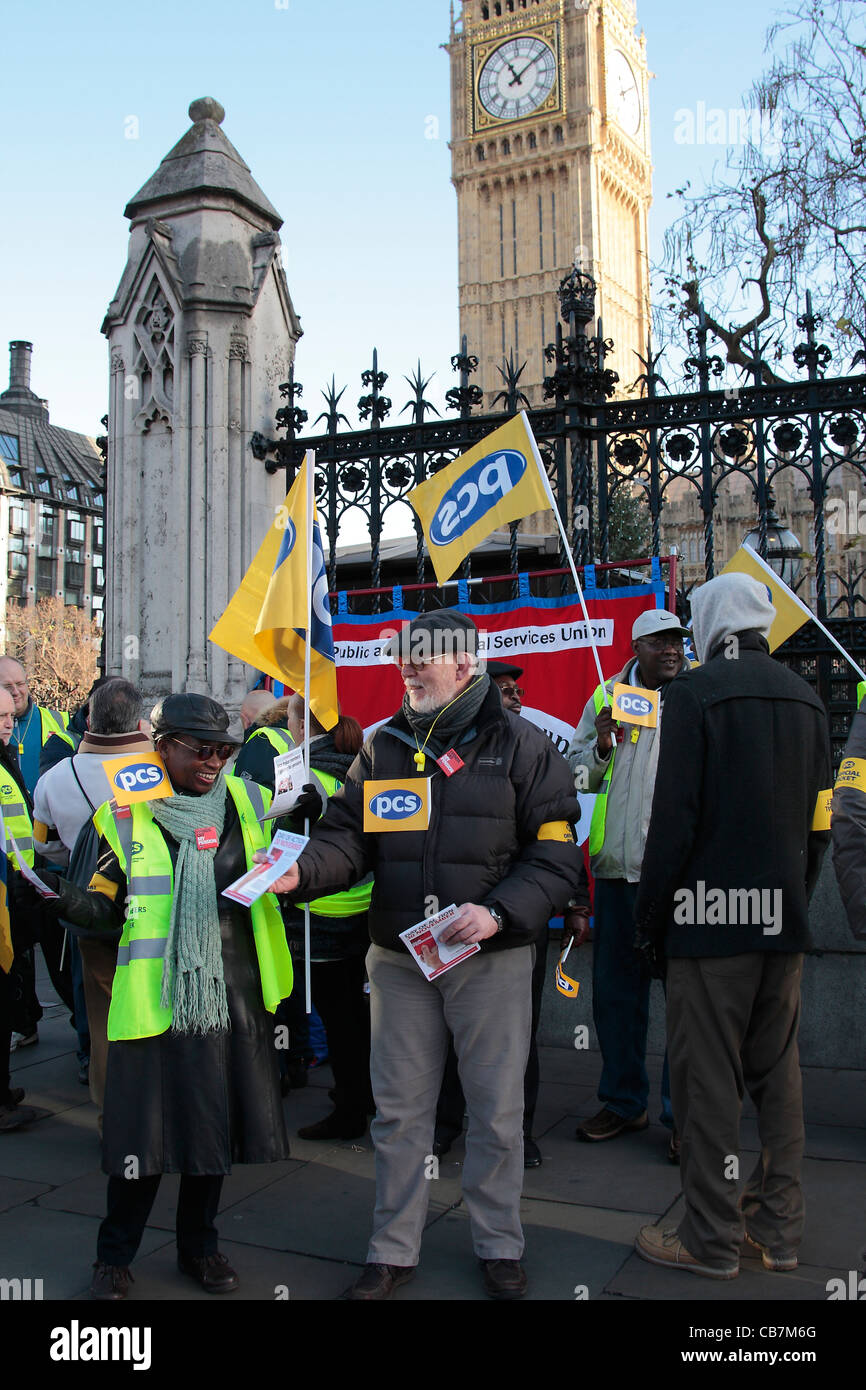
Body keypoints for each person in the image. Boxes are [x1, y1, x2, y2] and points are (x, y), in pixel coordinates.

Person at [268, 610, 583, 1301]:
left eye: (422, 658)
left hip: (491, 960)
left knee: (497, 1113)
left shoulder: (525, 747)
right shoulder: (382, 747)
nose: (407, 669)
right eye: (404, 658)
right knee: (400, 1112)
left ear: (464, 665)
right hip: (400, 962)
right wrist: (303, 871)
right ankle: (392, 1250)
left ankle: (500, 1243)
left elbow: (559, 859)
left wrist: (498, 912)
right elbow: (349, 840)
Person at [32, 694, 293, 1300]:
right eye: (200, 749)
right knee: (138, 1138)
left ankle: (199, 1247)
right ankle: (114, 1257)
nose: (214, 761)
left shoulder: (249, 802)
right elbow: (100, 911)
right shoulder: (121, 814)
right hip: (154, 998)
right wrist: (56, 894)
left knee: (212, 1129)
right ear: (162, 746)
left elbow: (279, 873)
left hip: (231, 992)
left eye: (223, 749)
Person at [633, 573, 831, 1279]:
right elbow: (819, 823)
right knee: (779, 1079)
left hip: (707, 929)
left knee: (707, 1086)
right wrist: (793, 901)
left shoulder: (691, 695)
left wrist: (650, 922)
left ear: (710, 626)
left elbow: (673, 827)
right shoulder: (808, 699)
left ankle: (711, 1239)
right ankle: (779, 1230)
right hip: (783, 923)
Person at [434, 657, 590, 1168]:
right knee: (446, 1032)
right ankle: (442, 1127)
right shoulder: (435, 750)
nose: (515, 697)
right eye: (502, 690)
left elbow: (559, 840)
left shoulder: (535, 750)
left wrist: (575, 902)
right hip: (449, 924)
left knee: (517, 1037)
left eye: (516, 690)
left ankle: (518, 1132)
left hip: (515, 926)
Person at [566, 608, 689, 1151]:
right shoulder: (605, 695)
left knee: (687, 1001)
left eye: (678, 640)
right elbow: (574, 773)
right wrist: (598, 745)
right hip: (615, 874)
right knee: (617, 996)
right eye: (660, 641)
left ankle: (684, 1118)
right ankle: (623, 1103)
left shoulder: (698, 691)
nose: (672, 649)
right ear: (636, 646)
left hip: (676, 875)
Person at [33, 678, 151, 1112]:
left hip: (90, 910)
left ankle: (112, 1116)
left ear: (89, 718)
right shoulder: (157, 767)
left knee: (100, 1017)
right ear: (139, 721)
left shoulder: (54, 779)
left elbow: (46, 847)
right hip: (154, 908)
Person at [279, 692, 375, 1140]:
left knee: (338, 1019)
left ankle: (352, 1107)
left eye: (292, 720)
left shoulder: (301, 775)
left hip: (317, 912)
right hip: (359, 908)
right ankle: (359, 1096)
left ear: (302, 726)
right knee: (353, 1014)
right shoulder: (356, 765)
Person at [0, 686, 39, 1133]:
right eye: (1, 716)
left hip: (13, 891)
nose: (10, 723)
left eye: (12, 716)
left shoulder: (6, 756)